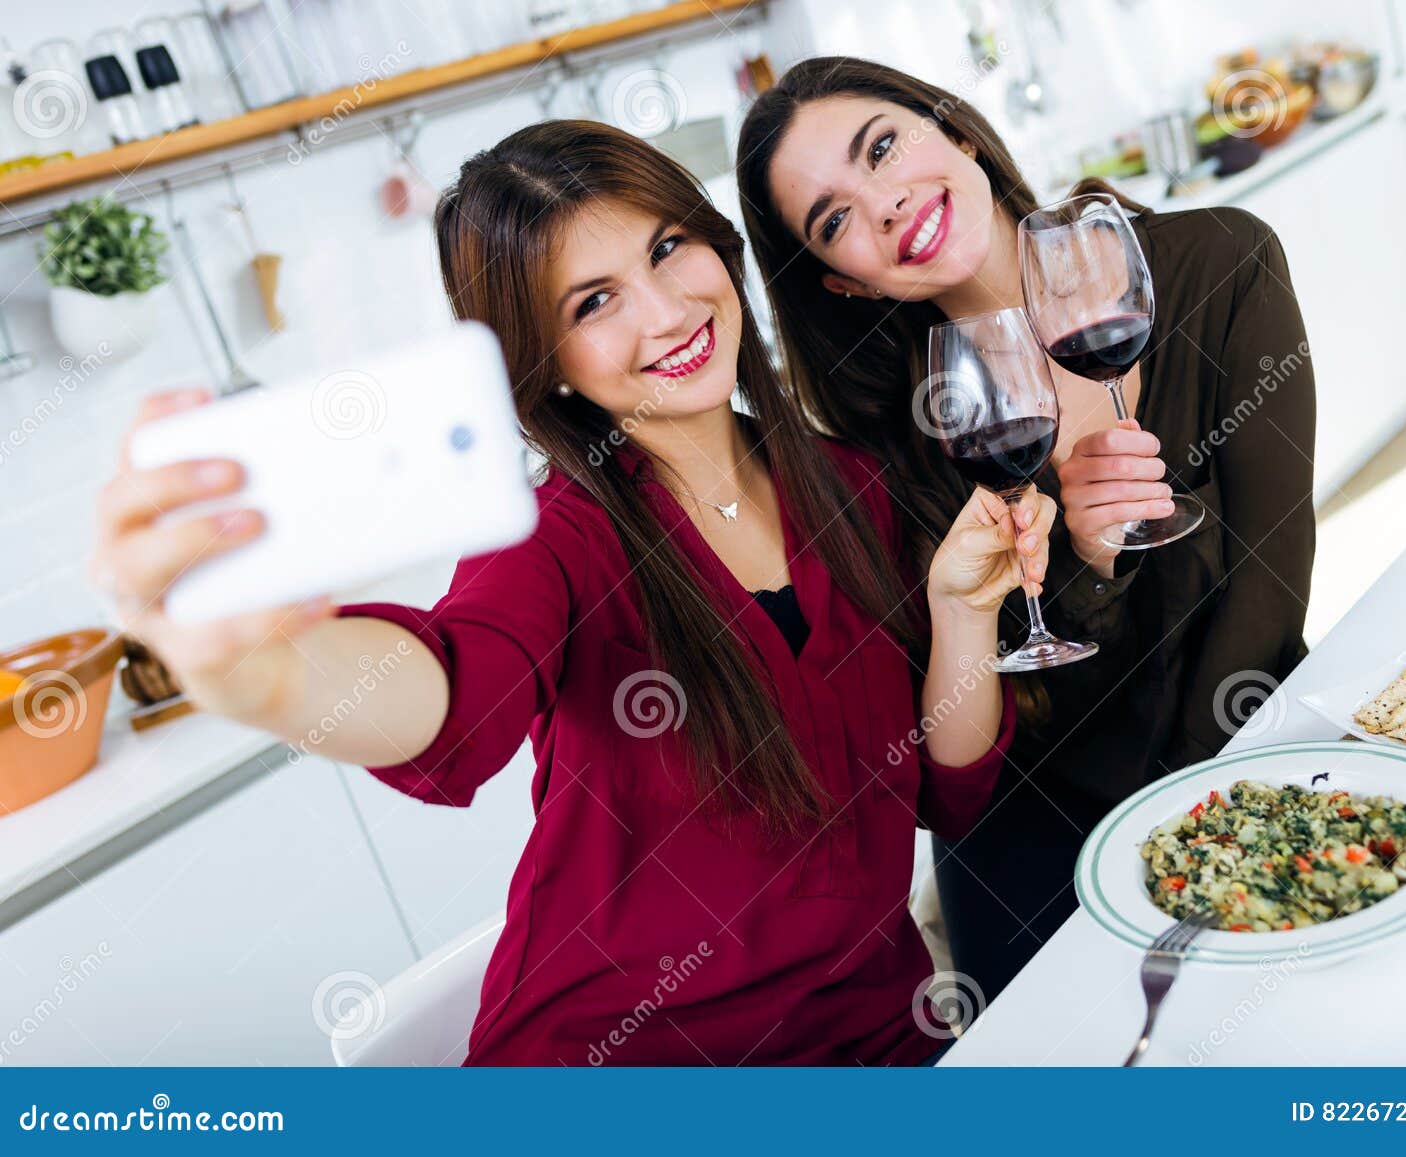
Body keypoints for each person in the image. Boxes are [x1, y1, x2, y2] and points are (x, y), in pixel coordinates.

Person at [92, 121, 1058, 1065]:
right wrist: (268, 675)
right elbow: (448, 699)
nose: (667, 312)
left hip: (881, 1046)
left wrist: (965, 613)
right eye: (593, 302)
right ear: (540, 360)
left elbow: (945, 788)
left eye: (668, 248)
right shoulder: (555, 541)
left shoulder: (852, 485)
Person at [737, 57, 1316, 1000]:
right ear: (844, 284)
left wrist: (1183, 823)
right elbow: (1009, 717)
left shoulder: (1221, 263)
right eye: (835, 219)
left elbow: (1276, 574)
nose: (883, 204)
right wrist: (1087, 563)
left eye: (883, 147)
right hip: (1040, 824)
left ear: (957, 131)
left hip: (1236, 740)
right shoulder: (889, 449)